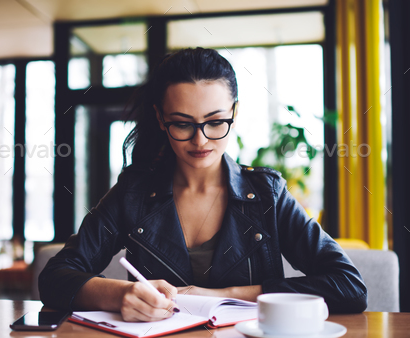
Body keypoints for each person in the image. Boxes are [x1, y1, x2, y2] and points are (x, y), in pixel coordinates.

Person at [39, 48, 367, 321]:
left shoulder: (267, 194)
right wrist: (121, 294)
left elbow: (348, 286)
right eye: (182, 124)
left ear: (234, 112)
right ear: (160, 118)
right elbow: (54, 278)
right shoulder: (134, 193)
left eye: (214, 122)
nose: (200, 140)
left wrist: (222, 297)